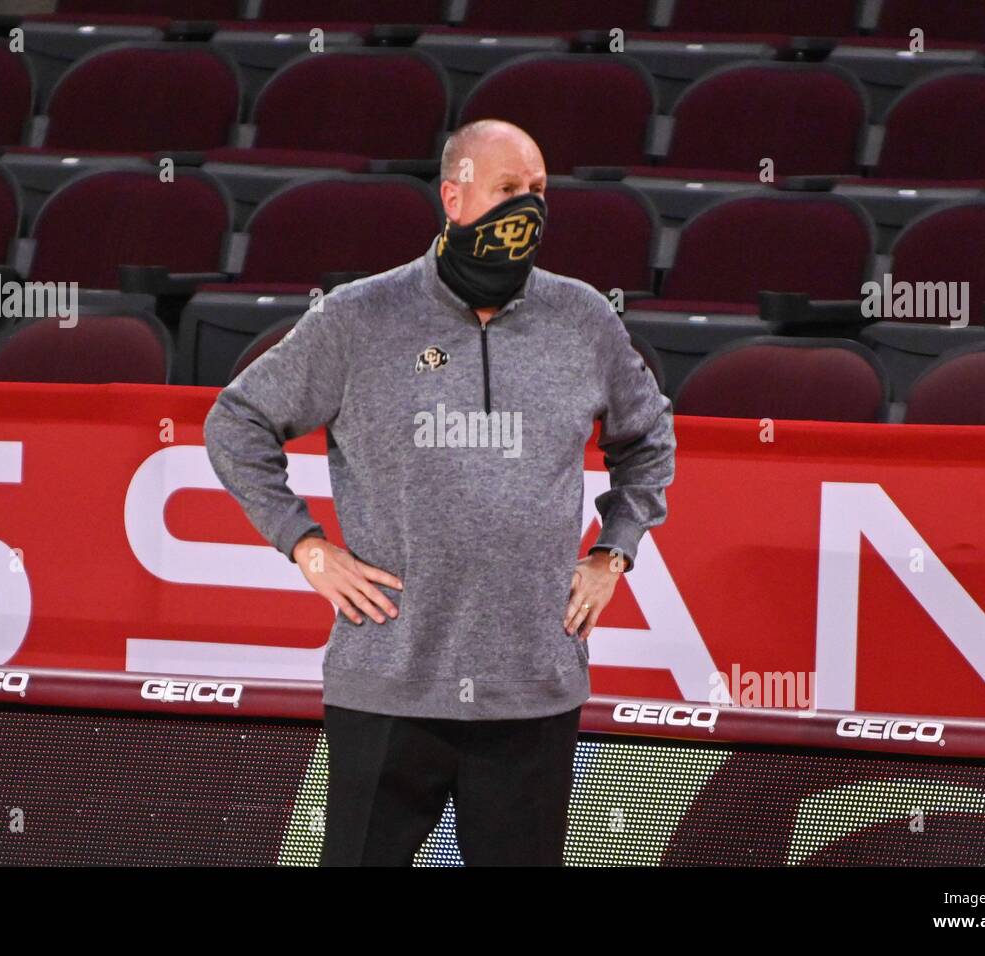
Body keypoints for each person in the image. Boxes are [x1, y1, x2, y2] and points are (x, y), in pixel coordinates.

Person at [204, 119, 676, 866]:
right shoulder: (359, 316)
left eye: (540, 192)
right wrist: (307, 545)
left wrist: (613, 552)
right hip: (388, 683)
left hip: (531, 687)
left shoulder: (583, 317)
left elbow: (648, 438)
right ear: (454, 198)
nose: (530, 209)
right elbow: (237, 420)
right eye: (509, 190)